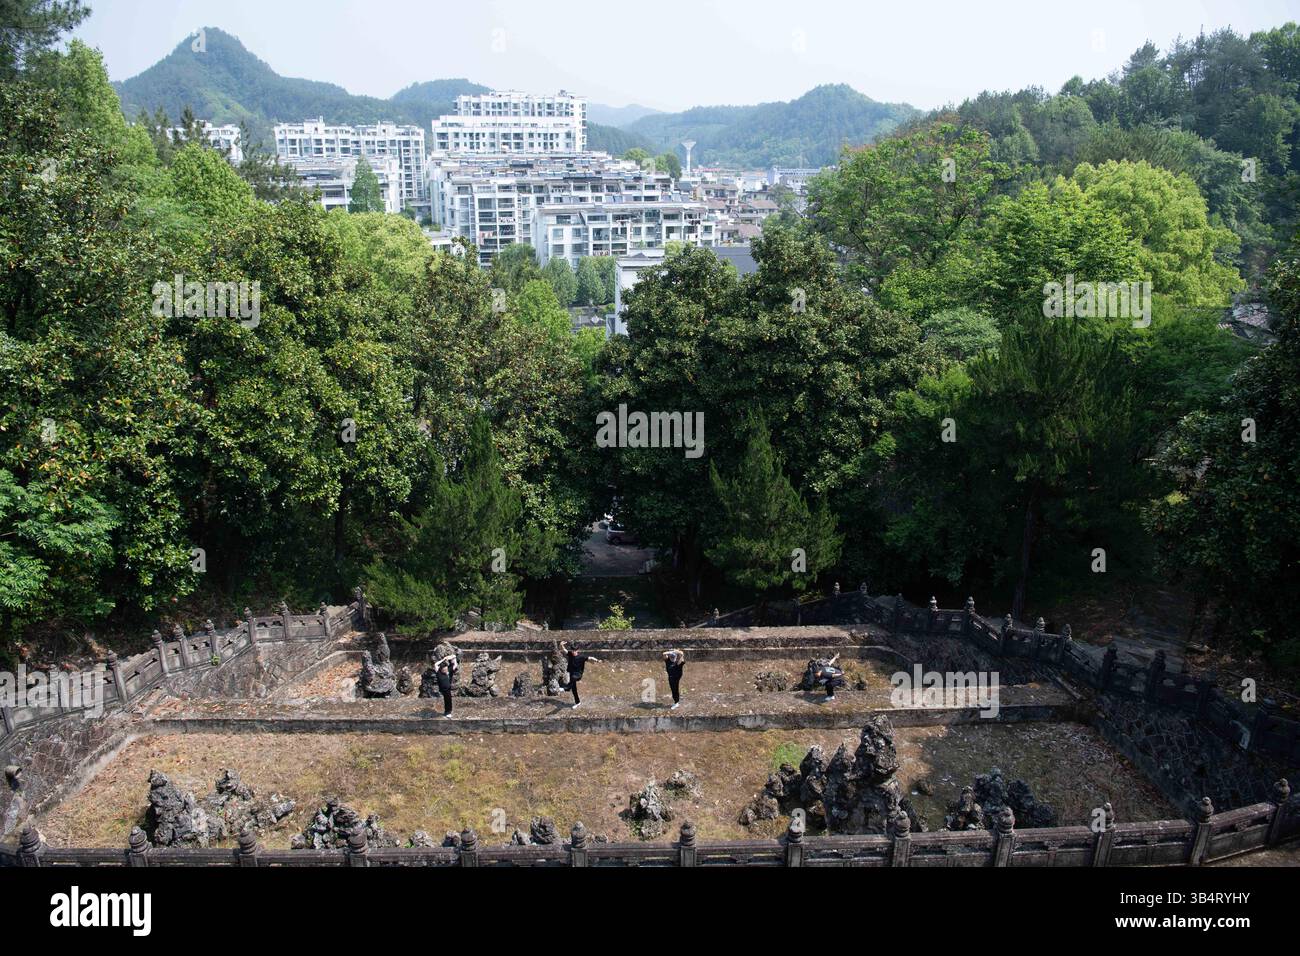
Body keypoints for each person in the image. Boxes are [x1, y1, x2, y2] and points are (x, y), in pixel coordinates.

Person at [560, 641, 601, 709]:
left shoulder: (581, 657)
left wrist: (597, 660)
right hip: (572, 673)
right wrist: (561, 645)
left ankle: (566, 688)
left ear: (577, 650)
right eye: (572, 650)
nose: (573, 652)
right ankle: (578, 702)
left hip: (578, 675)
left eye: (574, 651)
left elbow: (590, 658)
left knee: (572, 679)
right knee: (574, 690)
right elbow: (564, 651)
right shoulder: (570, 654)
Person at [433, 653, 458, 718]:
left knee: (448, 700)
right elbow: (435, 664)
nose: (446, 670)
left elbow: (455, 664)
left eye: (446, 669)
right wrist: (443, 659)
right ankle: (447, 712)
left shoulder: (448, 671)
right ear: (441, 669)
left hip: (447, 689)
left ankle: (448, 712)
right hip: (443, 689)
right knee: (447, 699)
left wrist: (452, 657)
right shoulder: (439, 673)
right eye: (444, 669)